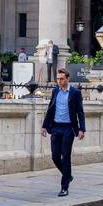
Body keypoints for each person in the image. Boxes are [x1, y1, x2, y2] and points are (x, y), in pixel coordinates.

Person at [41, 67, 85, 196]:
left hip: (68, 128)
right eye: (58, 79)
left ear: (67, 79)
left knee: (65, 157)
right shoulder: (55, 91)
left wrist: (82, 129)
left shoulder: (75, 93)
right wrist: (44, 126)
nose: (59, 81)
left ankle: (64, 187)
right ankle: (68, 175)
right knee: (55, 156)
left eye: (61, 79)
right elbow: (50, 109)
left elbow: (80, 112)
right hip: (55, 127)